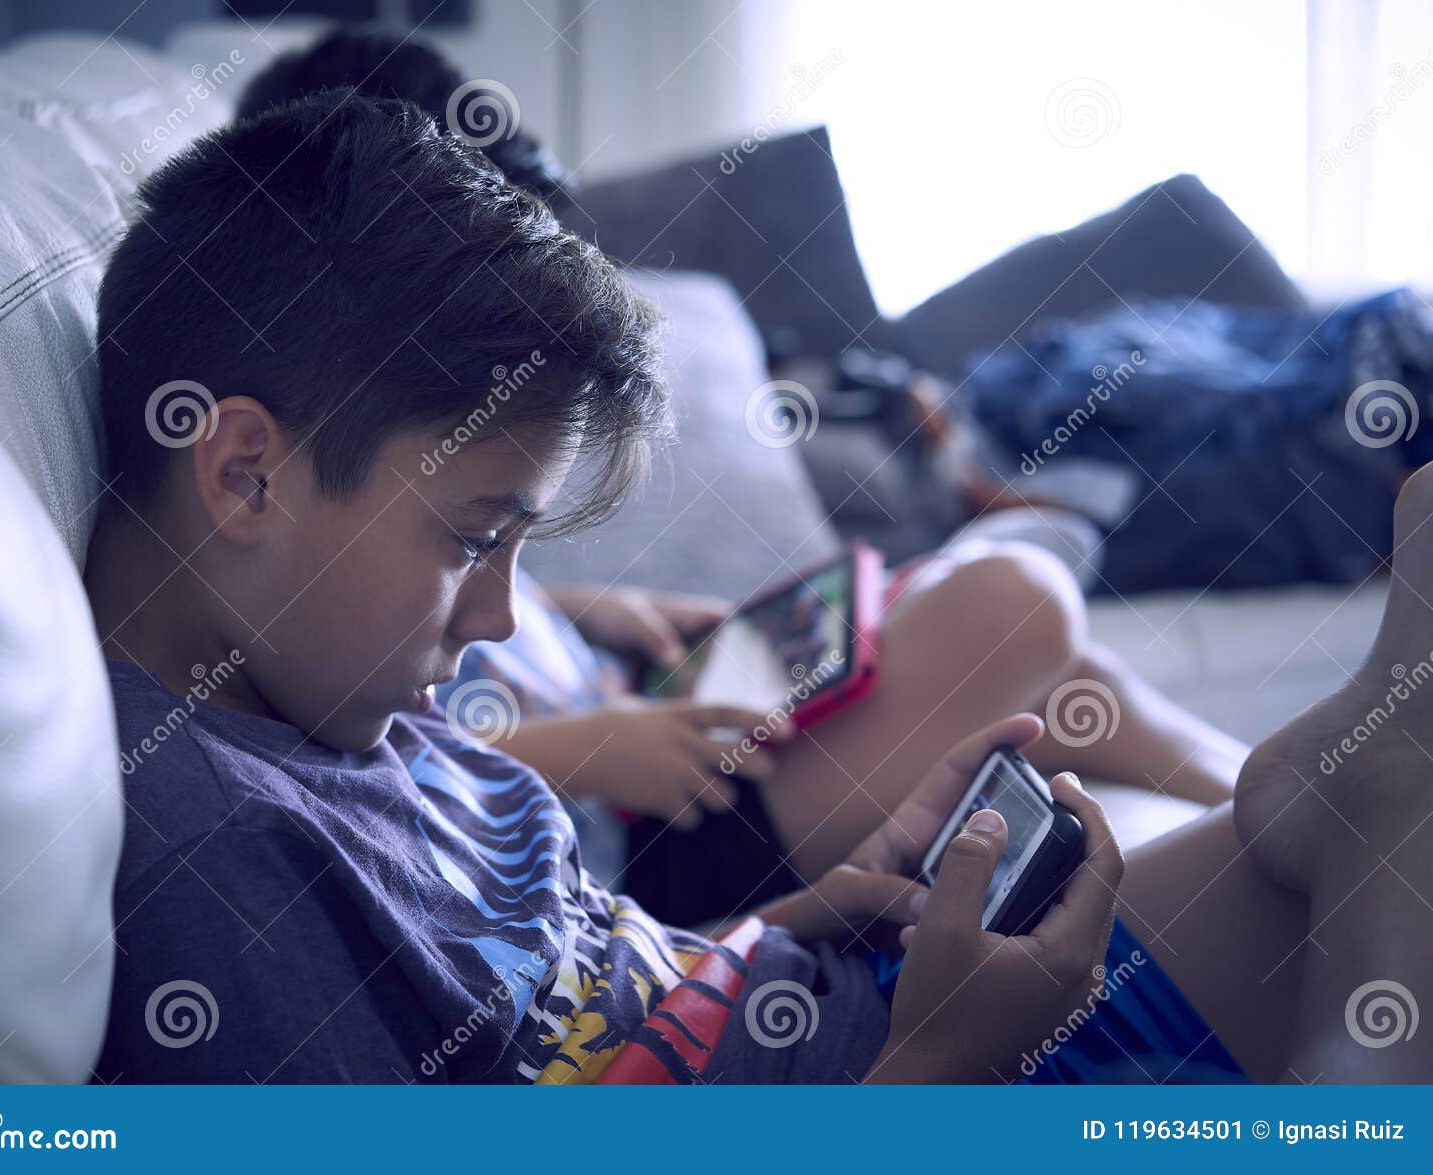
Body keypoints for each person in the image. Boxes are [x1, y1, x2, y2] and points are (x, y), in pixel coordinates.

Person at [85, 93, 1432, 1085]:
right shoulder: (216, 859)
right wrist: (944, 1060)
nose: (498, 616)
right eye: (470, 537)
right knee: (1389, 834)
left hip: (848, 994)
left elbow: (578, 1010)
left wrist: (809, 906)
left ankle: (1323, 786)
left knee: (1321, 832)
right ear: (246, 473)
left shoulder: (330, 694)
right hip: (905, 1079)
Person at [230, 25, 1245, 928]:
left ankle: (1271, 798)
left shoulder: (380, 505)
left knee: (1042, 661)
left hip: (642, 706)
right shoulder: (279, 556)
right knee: (1009, 603)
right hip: (647, 823)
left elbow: (452, 599)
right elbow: (342, 782)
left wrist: (583, 609)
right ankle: (1290, 804)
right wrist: (576, 749)